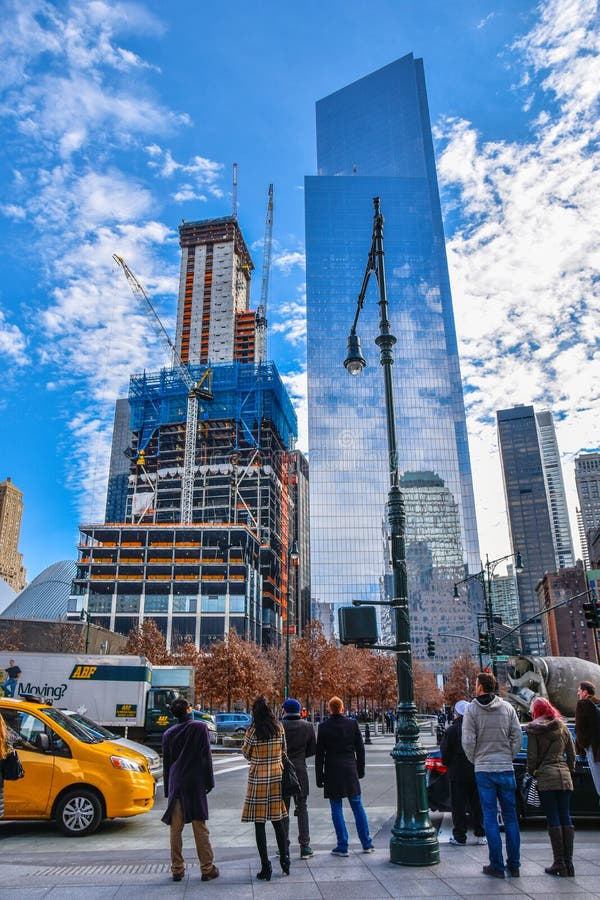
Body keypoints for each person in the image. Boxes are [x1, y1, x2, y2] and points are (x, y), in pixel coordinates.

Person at [462, 671, 522, 879]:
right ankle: (514, 865)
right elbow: (517, 736)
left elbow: (468, 741)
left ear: (480, 687)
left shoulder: (471, 710)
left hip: (485, 770)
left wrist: (476, 759)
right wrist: (508, 756)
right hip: (505, 768)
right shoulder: (507, 707)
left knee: (490, 817)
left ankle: (497, 864)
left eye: (475, 683)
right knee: (511, 818)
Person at [161, 697, 219, 884]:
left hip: (176, 782)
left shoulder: (168, 734)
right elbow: (206, 757)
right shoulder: (200, 728)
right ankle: (207, 868)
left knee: (175, 829)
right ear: (188, 710)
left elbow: (167, 764)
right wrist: (209, 782)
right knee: (199, 827)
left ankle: (177, 869)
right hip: (195, 782)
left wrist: (168, 790)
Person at [315, 695, 374, 856]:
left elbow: (319, 755)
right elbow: (360, 749)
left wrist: (319, 777)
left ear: (329, 709)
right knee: (357, 805)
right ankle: (366, 842)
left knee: (336, 808)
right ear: (342, 708)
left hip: (332, 770)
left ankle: (342, 845)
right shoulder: (352, 724)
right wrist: (360, 769)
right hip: (350, 768)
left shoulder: (323, 727)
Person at [525, 697, 576, 877]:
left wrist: (533, 773)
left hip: (546, 778)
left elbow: (532, 758)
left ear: (536, 711)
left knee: (553, 819)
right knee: (565, 817)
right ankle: (569, 864)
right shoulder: (562, 727)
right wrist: (568, 770)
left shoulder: (533, 730)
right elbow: (572, 754)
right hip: (564, 777)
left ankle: (559, 862)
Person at [242, 696, 290, 881]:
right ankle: (285, 860)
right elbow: (284, 751)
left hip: (258, 780)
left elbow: (246, 753)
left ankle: (265, 866)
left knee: (259, 823)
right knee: (278, 821)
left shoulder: (252, 731)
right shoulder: (279, 727)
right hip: (277, 777)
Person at [440, 699, 486, 847]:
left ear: (456, 714)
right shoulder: (476, 728)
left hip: (457, 772)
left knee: (458, 806)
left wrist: (448, 764)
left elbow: (445, 752)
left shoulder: (452, 730)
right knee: (477, 804)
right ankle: (481, 834)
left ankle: (460, 835)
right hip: (475, 770)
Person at [281, 697, 317, 859]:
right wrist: (300, 758)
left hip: (283, 771)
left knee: (284, 811)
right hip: (300, 770)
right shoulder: (308, 726)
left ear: (285, 710)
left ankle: (284, 845)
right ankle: (305, 846)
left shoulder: (279, 726)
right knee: (302, 808)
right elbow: (312, 749)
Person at [574, 680, 600, 798]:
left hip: (593, 750)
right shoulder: (597, 705)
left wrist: (582, 748)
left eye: (579, 691)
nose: (578, 693)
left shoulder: (582, 704)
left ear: (585, 692)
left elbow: (579, 729)